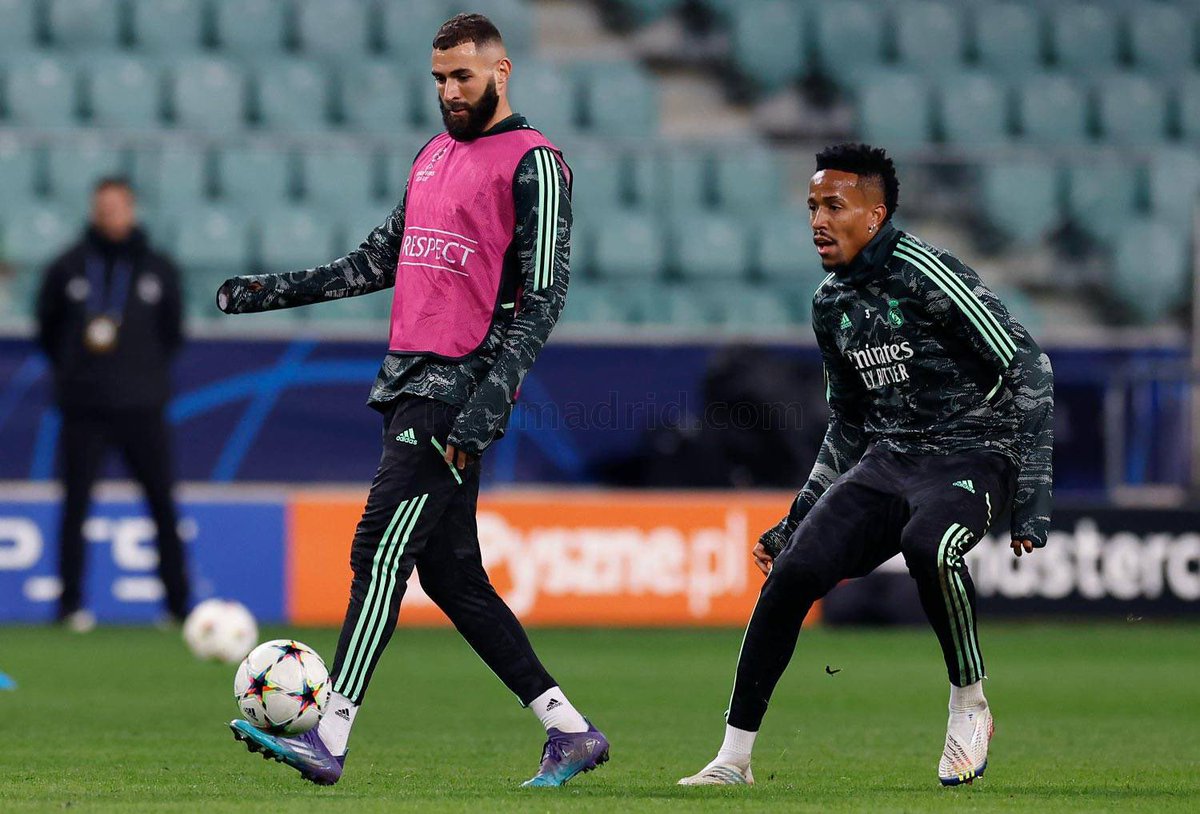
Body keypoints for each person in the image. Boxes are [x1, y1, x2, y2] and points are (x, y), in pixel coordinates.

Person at [220, 14, 608, 789]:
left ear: (501, 73)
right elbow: (382, 256)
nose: (448, 92)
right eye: (438, 78)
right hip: (406, 381)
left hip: (457, 391)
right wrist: (277, 291)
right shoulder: (433, 154)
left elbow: (542, 297)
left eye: (461, 76)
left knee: (378, 549)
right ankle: (570, 731)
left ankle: (328, 737)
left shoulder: (537, 165)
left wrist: (489, 402)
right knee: (454, 576)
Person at [678, 144, 1054, 787]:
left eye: (834, 206)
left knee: (928, 546)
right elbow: (848, 423)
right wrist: (795, 519)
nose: (818, 220)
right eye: (812, 207)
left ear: (875, 215)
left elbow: (1028, 366)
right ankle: (732, 760)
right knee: (791, 575)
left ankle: (970, 702)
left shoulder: (928, 273)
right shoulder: (830, 304)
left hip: (971, 453)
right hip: (888, 460)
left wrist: (1032, 496)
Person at [35, 176, 190, 632]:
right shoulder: (67, 267)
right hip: (84, 408)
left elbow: (172, 334)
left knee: (162, 504)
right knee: (76, 505)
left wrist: (142, 376)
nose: (110, 216)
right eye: (102, 208)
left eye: (117, 207)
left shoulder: (158, 268)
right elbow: (48, 331)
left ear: (132, 210)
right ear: (92, 210)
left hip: (144, 407)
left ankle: (178, 606)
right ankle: (70, 606)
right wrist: (75, 375)